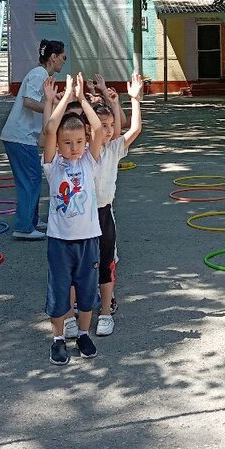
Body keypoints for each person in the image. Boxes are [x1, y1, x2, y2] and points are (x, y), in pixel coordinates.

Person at [42, 72, 104, 366]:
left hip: (88, 238)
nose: (74, 147)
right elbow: (50, 128)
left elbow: (98, 129)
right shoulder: (53, 166)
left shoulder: (90, 161)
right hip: (60, 241)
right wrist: (66, 96)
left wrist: (82, 98)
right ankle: (57, 339)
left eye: (79, 141)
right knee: (59, 291)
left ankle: (82, 334)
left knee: (87, 291)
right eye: (67, 142)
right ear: (58, 144)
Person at [90, 72, 144, 337]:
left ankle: (105, 310)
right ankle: (79, 306)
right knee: (82, 263)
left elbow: (134, 130)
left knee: (106, 261)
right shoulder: (80, 152)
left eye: (111, 125)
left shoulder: (113, 149)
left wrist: (134, 99)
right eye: (103, 125)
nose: (110, 129)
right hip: (81, 216)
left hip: (103, 213)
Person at [0, 39, 66, 240]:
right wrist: (53, 106)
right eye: (63, 57)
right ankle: (24, 227)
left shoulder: (42, 75)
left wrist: (53, 102)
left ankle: (32, 221)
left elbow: (38, 101)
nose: (64, 61)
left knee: (32, 179)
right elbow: (29, 101)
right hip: (20, 137)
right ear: (53, 57)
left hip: (22, 137)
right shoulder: (39, 74)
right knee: (30, 180)